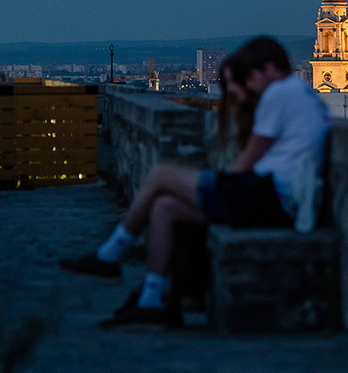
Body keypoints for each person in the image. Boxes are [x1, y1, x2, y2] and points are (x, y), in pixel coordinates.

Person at [60, 37, 331, 326]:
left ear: (269, 68)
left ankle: (109, 256)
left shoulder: (280, 92)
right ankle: (152, 300)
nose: (250, 86)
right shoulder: (302, 93)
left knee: (162, 175)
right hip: (277, 200)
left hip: (267, 195)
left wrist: (223, 186)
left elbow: (251, 157)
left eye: (252, 77)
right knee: (165, 207)